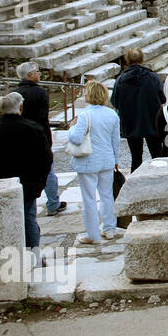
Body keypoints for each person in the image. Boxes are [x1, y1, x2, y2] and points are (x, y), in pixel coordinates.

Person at [0, 92, 52, 255]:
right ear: (21, 107)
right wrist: (39, 184)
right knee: (28, 220)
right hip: (27, 185)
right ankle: (34, 257)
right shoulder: (33, 129)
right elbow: (45, 159)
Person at [67, 80, 122, 244]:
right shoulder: (112, 114)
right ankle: (110, 228)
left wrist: (71, 127)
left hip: (88, 160)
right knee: (107, 196)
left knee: (89, 198)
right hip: (107, 159)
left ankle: (93, 234)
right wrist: (116, 159)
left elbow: (76, 139)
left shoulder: (84, 115)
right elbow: (116, 140)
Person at [14, 61, 65, 216]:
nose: (39, 73)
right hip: (39, 137)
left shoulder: (15, 93)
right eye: (37, 71)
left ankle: (26, 203)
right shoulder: (40, 93)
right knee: (48, 171)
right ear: (30, 75)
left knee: (25, 172)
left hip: (21, 138)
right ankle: (53, 203)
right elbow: (42, 118)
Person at [111, 47, 168, 170]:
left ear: (127, 60)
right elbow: (162, 99)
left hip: (131, 123)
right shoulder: (152, 77)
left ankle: (135, 184)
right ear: (142, 59)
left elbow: (114, 102)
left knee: (136, 157)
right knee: (157, 155)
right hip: (152, 121)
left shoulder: (121, 80)